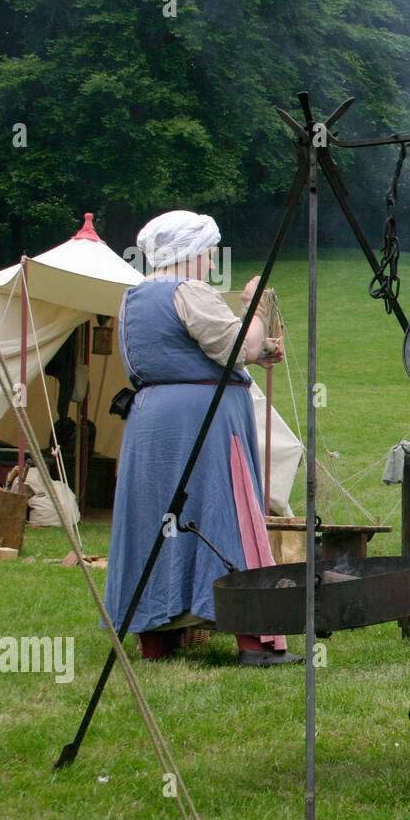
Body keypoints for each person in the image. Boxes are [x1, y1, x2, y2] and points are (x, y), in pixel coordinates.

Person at [104, 210, 301, 666]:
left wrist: (255, 353)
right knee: (224, 512)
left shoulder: (132, 297)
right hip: (203, 420)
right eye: (210, 250)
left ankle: (157, 640)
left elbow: (183, 352)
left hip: (152, 424)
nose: (213, 259)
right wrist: (253, 306)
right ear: (192, 251)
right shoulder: (189, 291)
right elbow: (237, 347)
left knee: (158, 522)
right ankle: (254, 642)